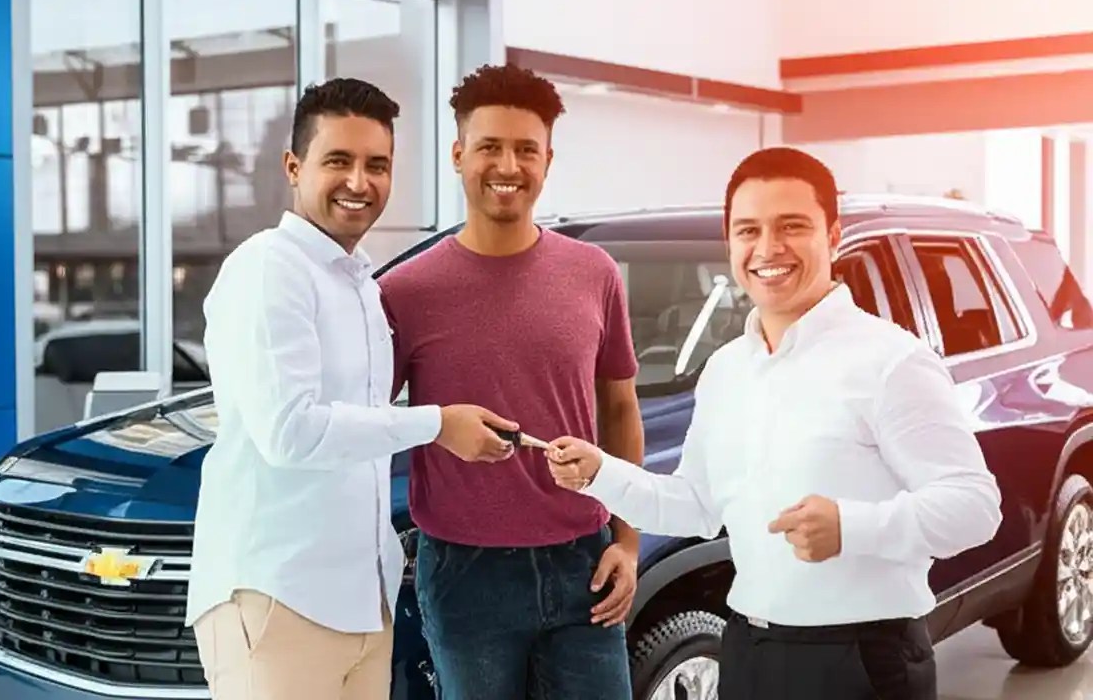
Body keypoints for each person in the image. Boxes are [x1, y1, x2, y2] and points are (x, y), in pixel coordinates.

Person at [546, 147, 1004, 700]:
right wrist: (600, 473)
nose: (768, 249)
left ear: (833, 236)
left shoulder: (891, 361)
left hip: (862, 660)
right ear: (730, 243)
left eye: (792, 227)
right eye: (748, 230)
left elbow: (975, 507)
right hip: (749, 652)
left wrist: (851, 527)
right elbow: (695, 505)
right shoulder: (726, 370)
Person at [185, 77, 522, 700]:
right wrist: (435, 424)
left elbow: (357, 425)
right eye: (338, 160)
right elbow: (291, 430)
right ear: (294, 166)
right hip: (278, 596)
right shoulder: (269, 268)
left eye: (378, 165)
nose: (360, 183)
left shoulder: (358, 282)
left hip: (360, 600)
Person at [379, 64, 644, 699]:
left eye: (526, 149)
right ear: (458, 154)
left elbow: (619, 408)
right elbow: (365, 424)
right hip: (465, 573)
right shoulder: (404, 292)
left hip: (584, 560)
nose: (509, 164)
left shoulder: (594, 273)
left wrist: (628, 543)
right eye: (490, 146)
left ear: (548, 160)